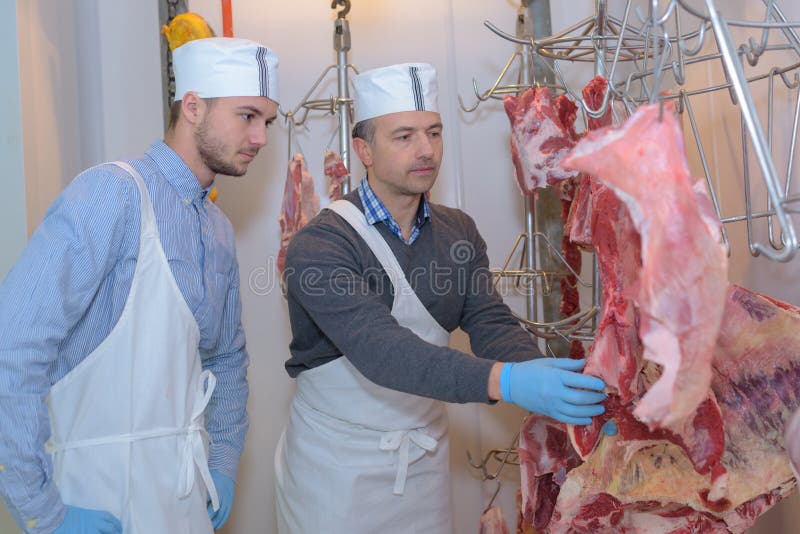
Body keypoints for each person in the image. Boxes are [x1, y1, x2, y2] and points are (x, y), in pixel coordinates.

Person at [274, 62, 608, 533]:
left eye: (434, 132)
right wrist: (508, 382)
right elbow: (383, 352)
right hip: (335, 474)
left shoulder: (457, 232)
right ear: (364, 150)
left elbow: (490, 323)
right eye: (404, 136)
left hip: (423, 469)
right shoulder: (321, 245)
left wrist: (553, 386)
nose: (426, 150)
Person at [0, 37, 279, 533]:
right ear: (192, 107)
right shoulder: (112, 194)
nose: (259, 137)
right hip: (94, 491)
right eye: (247, 116)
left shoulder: (217, 229)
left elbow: (226, 359)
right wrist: (40, 509)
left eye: (267, 122)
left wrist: (223, 461)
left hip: (184, 496)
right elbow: (15, 344)